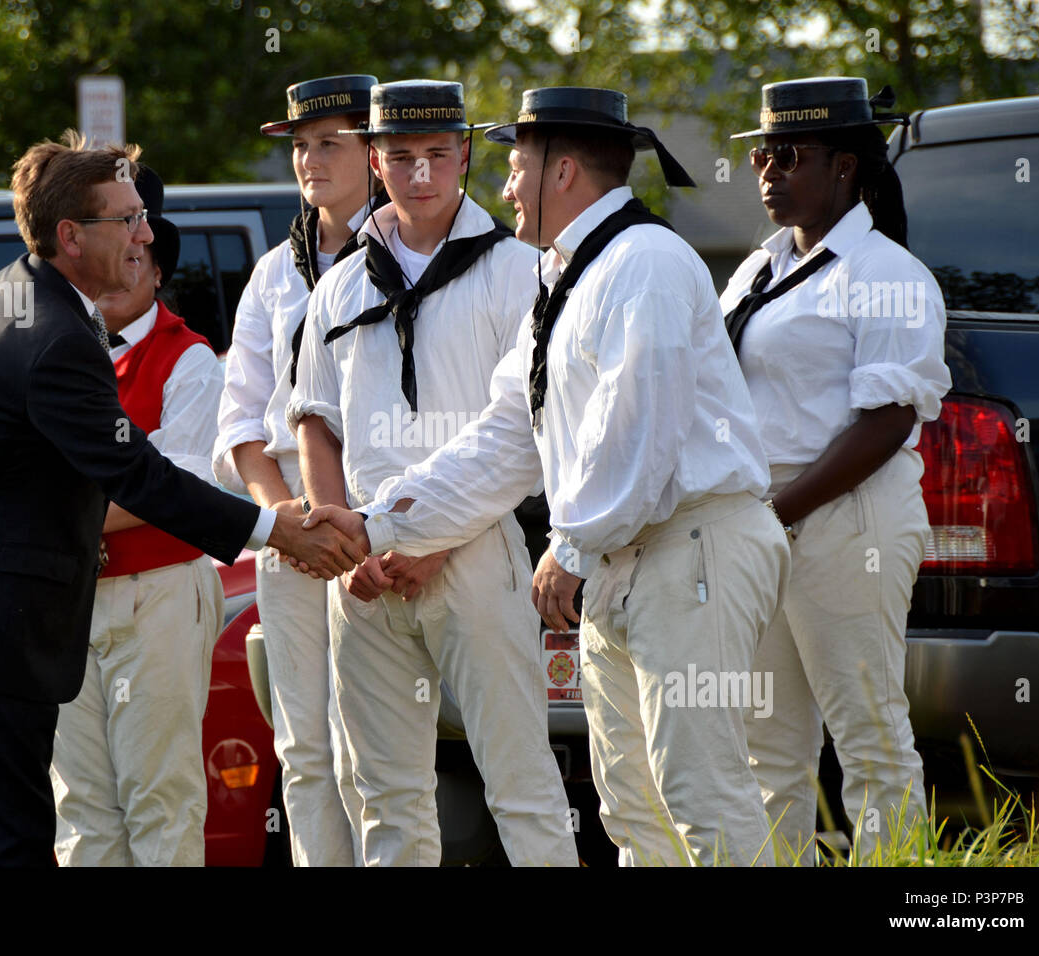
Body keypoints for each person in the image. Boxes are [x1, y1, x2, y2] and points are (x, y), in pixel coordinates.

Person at [308, 87, 789, 866]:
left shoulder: (647, 263)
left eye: (513, 164)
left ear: (561, 171)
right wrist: (377, 524)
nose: (501, 187)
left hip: (691, 546)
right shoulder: (567, 278)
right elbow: (505, 437)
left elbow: (638, 434)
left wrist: (570, 544)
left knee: (702, 793)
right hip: (627, 557)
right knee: (632, 803)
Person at [0, 132, 365, 867]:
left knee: (19, 830)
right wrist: (279, 530)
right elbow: (140, 475)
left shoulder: (20, 290)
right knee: (5, 842)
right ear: (70, 236)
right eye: (127, 219)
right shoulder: (57, 332)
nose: (146, 233)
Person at [287, 79, 578, 867]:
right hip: (362, 572)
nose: (422, 175)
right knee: (385, 799)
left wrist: (433, 539)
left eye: (439, 155)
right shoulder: (340, 282)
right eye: (404, 157)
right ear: (375, 160)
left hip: (474, 552)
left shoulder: (518, 271)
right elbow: (316, 419)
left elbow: (528, 429)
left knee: (519, 782)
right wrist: (338, 534)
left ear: (466, 156)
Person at [721, 77, 951, 861]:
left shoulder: (886, 273)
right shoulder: (759, 268)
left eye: (789, 155)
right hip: (764, 516)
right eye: (760, 154)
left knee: (869, 733)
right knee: (767, 744)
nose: (767, 172)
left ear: (847, 167)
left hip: (847, 515)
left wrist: (775, 512)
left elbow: (887, 421)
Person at [213, 74, 381, 867]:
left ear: (375, 154)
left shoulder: (418, 257)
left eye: (330, 143)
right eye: (301, 146)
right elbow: (241, 420)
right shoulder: (274, 274)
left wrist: (355, 524)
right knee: (305, 749)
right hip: (289, 536)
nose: (309, 161)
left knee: (377, 749)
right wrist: (283, 519)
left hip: (385, 530)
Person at [49, 165, 227, 866]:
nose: (123, 270)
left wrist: (57, 518)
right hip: (71, 599)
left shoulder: (190, 359)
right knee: (83, 810)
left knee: (160, 799)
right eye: (114, 253)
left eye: (138, 255)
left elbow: (172, 481)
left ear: (158, 268)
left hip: (158, 596)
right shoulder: (58, 352)